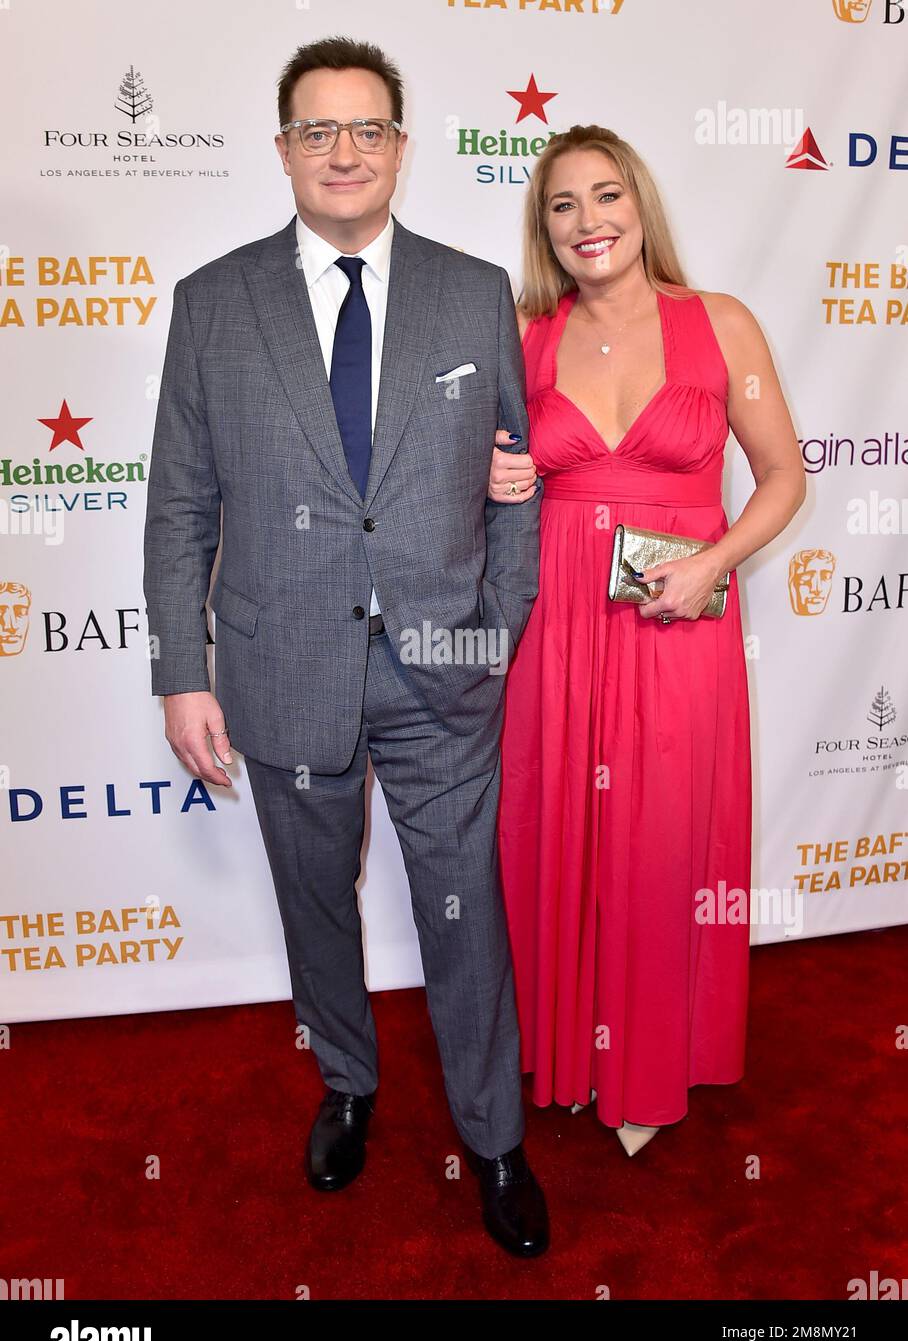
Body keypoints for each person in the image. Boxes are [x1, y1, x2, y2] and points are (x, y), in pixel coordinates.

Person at [143, 35, 549, 1257]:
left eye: (365, 129)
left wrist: (496, 626)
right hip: (280, 667)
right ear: (281, 150)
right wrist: (180, 669)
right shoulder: (213, 303)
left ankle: (493, 1139)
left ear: (401, 150)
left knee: (462, 908)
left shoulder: (475, 291)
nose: (342, 151)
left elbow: (517, 486)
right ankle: (350, 1085)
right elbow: (179, 505)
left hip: (441, 666)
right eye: (316, 130)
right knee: (315, 898)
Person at [489, 125, 806, 1156]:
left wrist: (713, 561)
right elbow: (482, 481)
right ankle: (570, 1055)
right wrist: (497, 479)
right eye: (562, 205)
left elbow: (782, 476)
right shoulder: (525, 334)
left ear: (641, 207)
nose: (588, 222)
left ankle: (645, 1063)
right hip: (558, 620)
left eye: (605, 195)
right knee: (556, 826)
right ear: (543, 228)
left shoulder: (718, 324)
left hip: (677, 617)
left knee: (663, 837)